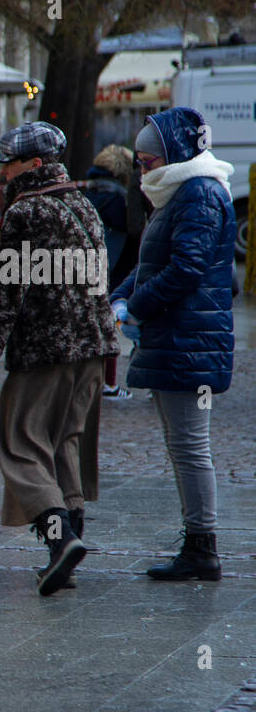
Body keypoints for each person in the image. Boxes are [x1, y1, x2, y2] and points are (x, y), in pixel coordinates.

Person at [0, 122, 120, 596]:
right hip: (93, 344)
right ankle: (68, 548)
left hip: (46, 347)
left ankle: (60, 538)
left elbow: (6, 290)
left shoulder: (26, 210)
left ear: (35, 165)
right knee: (66, 440)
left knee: (20, 443)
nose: (3, 171)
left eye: (11, 162)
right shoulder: (82, 203)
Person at [109, 108, 237, 581]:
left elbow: (186, 268)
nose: (144, 169)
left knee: (189, 445)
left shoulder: (198, 193)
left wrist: (136, 308)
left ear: (173, 154)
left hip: (189, 338)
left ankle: (203, 546)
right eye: (140, 161)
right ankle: (198, 542)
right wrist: (121, 298)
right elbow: (151, 261)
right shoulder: (177, 192)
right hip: (179, 335)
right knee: (182, 444)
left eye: (148, 160)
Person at [82, 144, 137, 400]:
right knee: (107, 330)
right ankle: (109, 385)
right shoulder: (117, 201)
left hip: (81, 269)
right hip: (109, 273)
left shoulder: (84, 195)